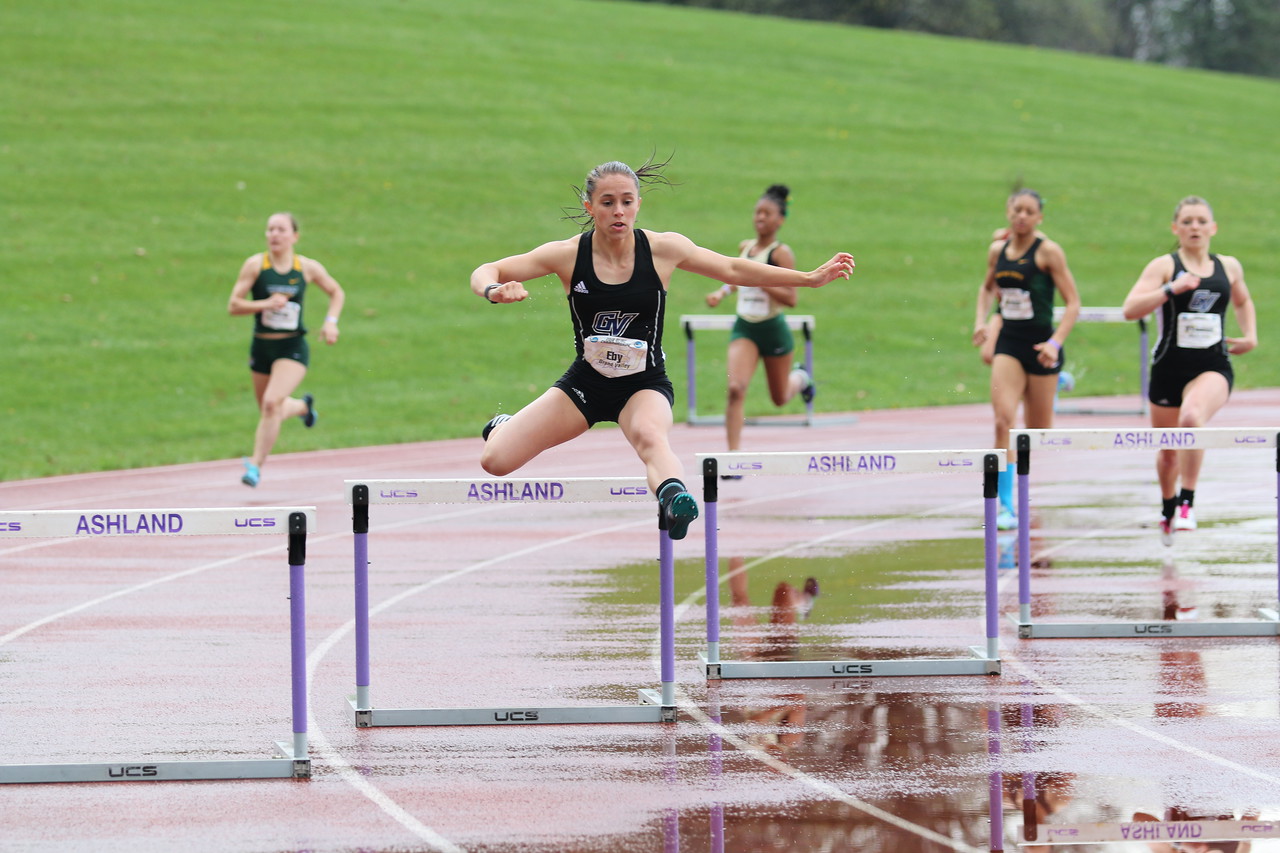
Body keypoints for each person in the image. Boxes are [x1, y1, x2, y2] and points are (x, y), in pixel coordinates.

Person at [471, 158, 855, 540]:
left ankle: (675, 498)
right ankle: (506, 426)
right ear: (589, 208)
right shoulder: (568, 255)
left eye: (626, 201)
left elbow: (734, 270)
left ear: (639, 203)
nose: (618, 211)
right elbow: (487, 269)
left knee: (651, 438)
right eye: (607, 202)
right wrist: (493, 290)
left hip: (643, 384)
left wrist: (808, 278)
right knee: (495, 461)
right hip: (585, 384)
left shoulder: (664, 249)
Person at [1122, 196, 1256, 546]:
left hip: (1213, 366)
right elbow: (1130, 309)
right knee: (1168, 452)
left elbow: (1242, 300)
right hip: (1168, 368)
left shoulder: (1229, 267)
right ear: (1175, 228)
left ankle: (1187, 503)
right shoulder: (1164, 266)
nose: (1194, 227)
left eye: (1201, 221)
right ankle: (1168, 507)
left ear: (1213, 227)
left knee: (1191, 418)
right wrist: (1170, 289)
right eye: (1187, 221)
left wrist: (1251, 336)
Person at [973, 189, 1081, 529]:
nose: (1021, 216)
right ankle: (1005, 505)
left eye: (1029, 211)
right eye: (1017, 209)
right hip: (1009, 344)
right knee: (1003, 422)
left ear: (1039, 218)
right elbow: (988, 288)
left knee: (1038, 433)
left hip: (1040, 347)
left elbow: (1073, 303)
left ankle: (1055, 384)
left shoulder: (1048, 252)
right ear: (1008, 212)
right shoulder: (997, 251)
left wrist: (1055, 342)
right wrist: (981, 322)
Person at [227, 212, 345, 487]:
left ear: (294, 236)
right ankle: (303, 407)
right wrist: (264, 304)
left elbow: (336, 292)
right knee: (270, 410)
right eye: (270, 229)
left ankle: (254, 466)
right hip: (262, 345)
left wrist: (331, 323)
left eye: (280, 229)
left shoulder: (306, 268)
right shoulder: (255, 265)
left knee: (271, 404)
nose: (274, 235)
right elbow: (233, 305)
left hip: (292, 347)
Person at [703, 184, 815, 456]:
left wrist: (761, 281)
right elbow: (735, 277)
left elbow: (791, 298)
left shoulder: (780, 253)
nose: (760, 218)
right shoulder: (745, 247)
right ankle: (733, 455)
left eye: (767, 213)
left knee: (779, 399)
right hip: (746, 328)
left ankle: (800, 378)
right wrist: (722, 292)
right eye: (757, 212)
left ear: (780, 220)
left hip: (773, 329)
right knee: (734, 388)